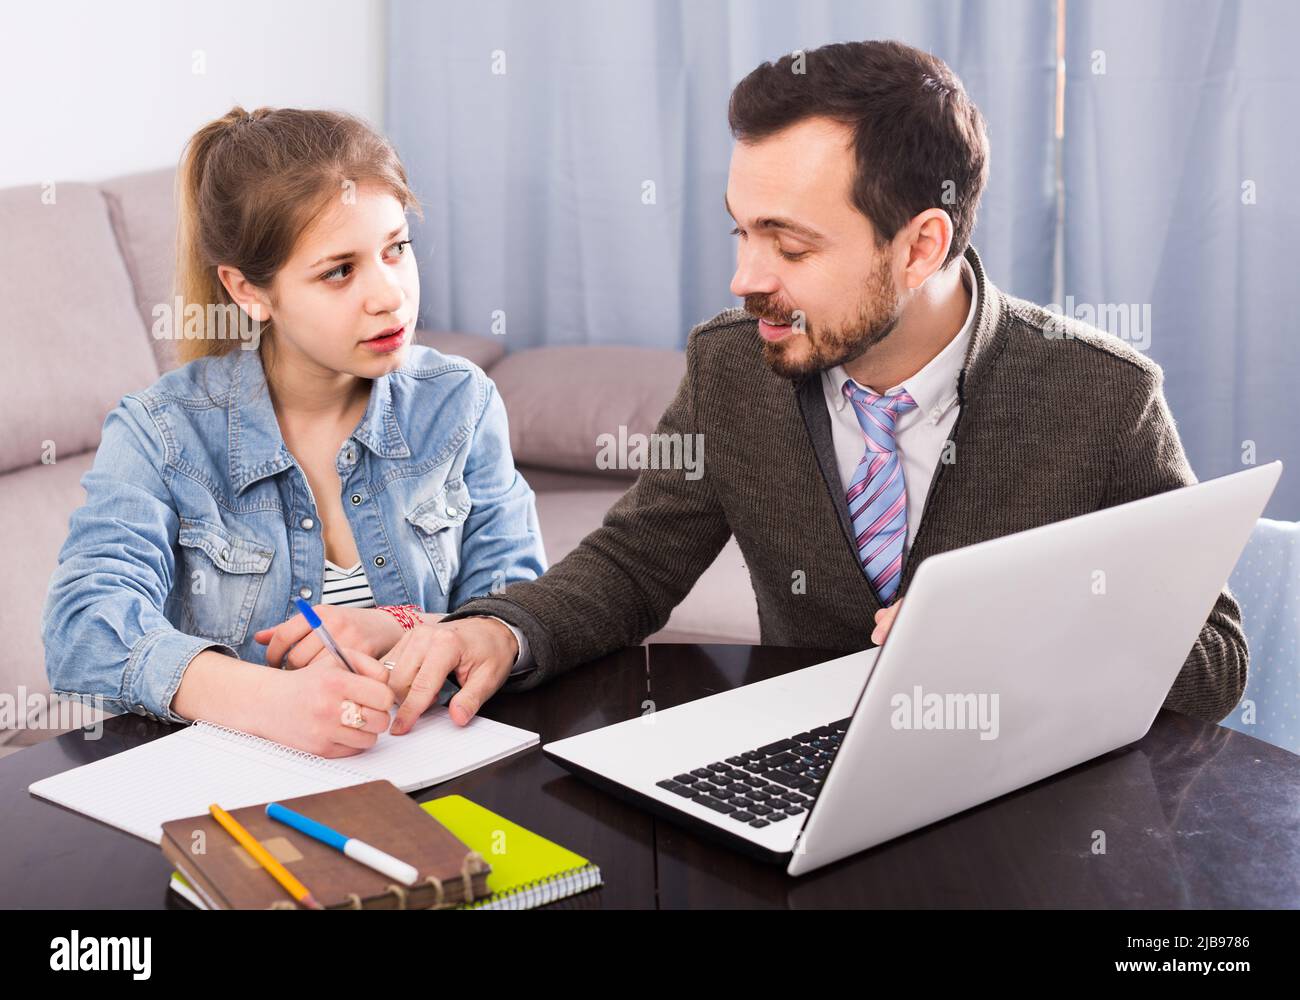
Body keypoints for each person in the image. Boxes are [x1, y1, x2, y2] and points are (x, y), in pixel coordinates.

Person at [380, 40, 1247, 729]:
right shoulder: (733, 365)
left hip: (1026, 801)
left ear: (920, 245)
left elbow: (1214, 664)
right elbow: (634, 564)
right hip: (804, 778)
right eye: (741, 233)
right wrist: (499, 628)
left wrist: (1024, 629)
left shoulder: (1102, 395)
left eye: (790, 248)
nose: (744, 280)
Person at [43, 106, 544, 757]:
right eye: (340, 271)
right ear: (248, 291)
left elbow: (523, 609)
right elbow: (82, 630)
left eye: (396, 249)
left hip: (431, 772)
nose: (389, 294)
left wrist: (403, 624)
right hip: (232, 796)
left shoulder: (459, 402)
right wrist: (269, 701)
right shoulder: (160, 433)